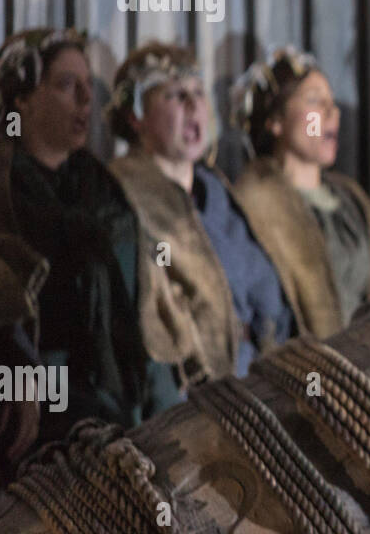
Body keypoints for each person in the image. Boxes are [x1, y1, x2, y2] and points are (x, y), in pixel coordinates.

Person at [0, 29, 180, 510]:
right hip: (43, 418)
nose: (87, 98)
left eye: (88, 85)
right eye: (66, 85)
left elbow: (143, 302)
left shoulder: (100, 186)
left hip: (122, 397)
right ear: (21, 97)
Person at [106, 42, 294, 383]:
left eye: (198, 92)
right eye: (175, 96)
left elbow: (269, 298)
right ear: (136, 117)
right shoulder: (122, 194)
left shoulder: (217, 191)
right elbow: (157, 320)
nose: (194, 105)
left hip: (261, 390)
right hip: (196, 405)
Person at [231, 47, 370, 340]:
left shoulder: (351, 198)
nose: (330, 112)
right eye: (314, 101)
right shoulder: (253, 201)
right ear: (276, 121)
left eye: (332, 103)